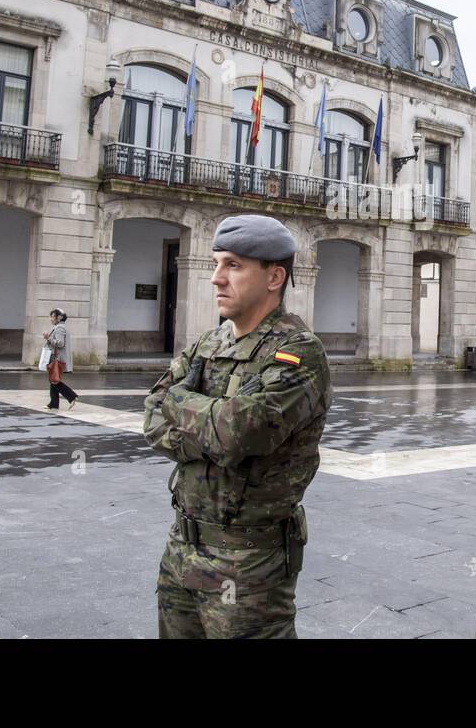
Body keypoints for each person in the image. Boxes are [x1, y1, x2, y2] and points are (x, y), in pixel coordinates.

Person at [143, 214, 332, 638]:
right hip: (182, 546)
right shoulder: (209, 343)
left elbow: (242, 432)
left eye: (233, 265)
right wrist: (212, 427)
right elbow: (152, 417)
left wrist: (181, 403)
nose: (216, 278)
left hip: (250, 564)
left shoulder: (297, 352)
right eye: (216, 264)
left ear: (274, 277)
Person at [43, 308, 78, 409]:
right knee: (53, 379)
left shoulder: (60, 328)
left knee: (54, 380)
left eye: (52, 316)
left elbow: (60, 344)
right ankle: (54, 403)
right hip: (57, 357)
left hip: (57, 357)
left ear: (58, 318)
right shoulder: (60, 327)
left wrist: (48, 338)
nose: (50, 319)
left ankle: (71, 396)